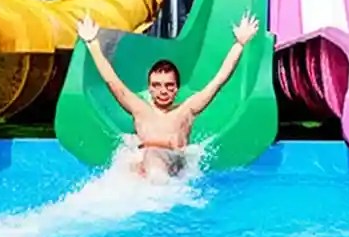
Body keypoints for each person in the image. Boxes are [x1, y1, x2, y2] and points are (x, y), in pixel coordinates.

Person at [76, 10, 260, 179]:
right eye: (157, 85)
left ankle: (156, 189)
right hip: (144, 163)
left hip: (171, 162)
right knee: (134, 161)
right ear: (149, 88)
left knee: (153, 155)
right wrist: (92, 43)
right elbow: (112, 82)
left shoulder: (186, 110)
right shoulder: (140, 110)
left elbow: (218, 81)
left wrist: (239, 45)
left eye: (169, 85)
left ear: (177, 88)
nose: (163, 90)